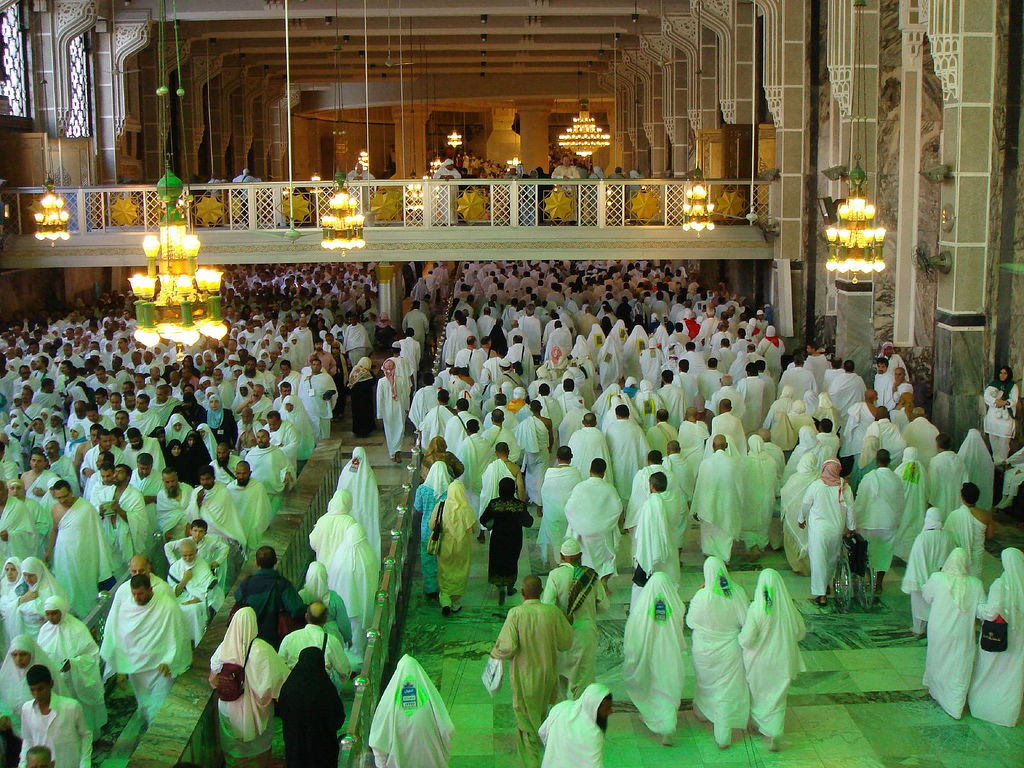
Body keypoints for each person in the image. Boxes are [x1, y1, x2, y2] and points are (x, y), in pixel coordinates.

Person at [490, 575, 573, 768]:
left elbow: (508, 647)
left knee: (526, 723)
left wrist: (494, 653)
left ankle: (532, 762)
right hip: (548, 674)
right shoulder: (552, 612)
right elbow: (565, 643)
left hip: (525, 677)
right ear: (541, 591)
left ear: (522, 592)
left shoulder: (516, 614)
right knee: (543, 714)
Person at [99, 573, 191, 723]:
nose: (137, 597)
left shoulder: (167, 605)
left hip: (160, 668)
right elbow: (123, 641)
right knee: (145, 706)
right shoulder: (126, 608)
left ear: (150, 590)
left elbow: (178, 634)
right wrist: (121, 671)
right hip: (136, 669)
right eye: (134, 594)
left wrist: (170, 660)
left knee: (159, 708)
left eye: (141, 593)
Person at [209, 607, 291, 767]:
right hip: (257, 710)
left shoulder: (223, 648)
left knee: (234, 747)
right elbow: (281, 681)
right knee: (259, 748)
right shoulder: (263, 649)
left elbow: (213, 681)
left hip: (228, 709)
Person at [738, 569, 806, 752]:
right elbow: (800, 633)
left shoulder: (756, 608)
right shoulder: (789, 609)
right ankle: (775, 729)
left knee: (760, 694)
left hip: (760, 662)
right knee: (778, 696)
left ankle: (765, 727)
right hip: (783, 660)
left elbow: (747, 639)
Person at [686, 557, 750, 749]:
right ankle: (723, 732)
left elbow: (690, 622)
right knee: (725, 690)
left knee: (706, 683)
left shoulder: (701, 596)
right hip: (729, 651)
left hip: (704, 651)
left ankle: (704, 715)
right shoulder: (736, 592)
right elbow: (746, 620)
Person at [623, 572, 687, 745]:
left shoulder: (641, 608)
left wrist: (632, 654)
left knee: (651, 687)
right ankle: (668, 724)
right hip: (670, 655)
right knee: (668, 687)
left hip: (649, 656)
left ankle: (659, 722)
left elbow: (633, 633)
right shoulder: (676, 605)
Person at [921, 549, 985, 719]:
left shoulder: (937, 578)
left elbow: (927, 596)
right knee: (959, 667)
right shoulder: (976, 584)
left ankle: (937, 691)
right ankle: (954, 704)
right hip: (962, 634)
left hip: (938, 631)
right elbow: (981, 612)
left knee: (938, 659)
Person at [540, 538, 605, 699]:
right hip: (586, 633)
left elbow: (547, 605)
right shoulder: (590, 576)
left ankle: (563, 712)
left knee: (560, 675)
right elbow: (604, 606)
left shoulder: (555, 575)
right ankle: (580, 714)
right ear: (580, 556)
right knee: (584, 678)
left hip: (562, 634)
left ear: (562, 556)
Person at [967, 547, 1024, 727]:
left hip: (998, 637)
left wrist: (978, 608)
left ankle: (984, 708)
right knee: (1012, 677)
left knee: (989, 672)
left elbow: (991, 612)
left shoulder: (1001, 584)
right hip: (1019, 640)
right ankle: (1006, 714)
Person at [367, 654, 454, 768]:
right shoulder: (430, 699)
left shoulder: (388, 703)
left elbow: (377, 740)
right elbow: (447, 729)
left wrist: (382, 764)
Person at [45, 481, 115, 620]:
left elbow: (96, 534)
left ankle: (89, 616)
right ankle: (70, 616)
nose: (63, 500)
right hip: (63, 556)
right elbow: (54, 530)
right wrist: (48, 550)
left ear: (71, 492)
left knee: (84, 587)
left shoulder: (86, 507)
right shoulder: (55, 509)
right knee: (66, 585)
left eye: (65, 496)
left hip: (83, 556)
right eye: (59, 498)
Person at [36, 596, 107, 733]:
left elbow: (91, 656)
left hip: (77, 682)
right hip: (57, 682)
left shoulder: (77, 629)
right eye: (48, 613)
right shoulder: (45, 631)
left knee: (82, 713)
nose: (51, 617)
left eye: (54, 613)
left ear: (62, 611)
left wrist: (74, 664)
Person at [798, 459, 856, 606]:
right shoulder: (844, 487)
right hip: (836, 530)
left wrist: (801, 518)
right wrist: (851, 526)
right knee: (831, 559)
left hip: (819, 531)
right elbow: (850, 509)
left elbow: (805, 504)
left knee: (818, 560)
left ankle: (821, 594)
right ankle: (827, 584)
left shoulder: (817, 486)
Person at [277, 646, 346, 768]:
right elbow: (338, 718)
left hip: (295, 746)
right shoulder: (326, 688)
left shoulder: (289, 686)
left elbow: (281, 711)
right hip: (323, 748)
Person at [0, 635, 65, 762]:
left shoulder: (44, 675)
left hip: (43, 733)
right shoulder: (5, 677)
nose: (18, 659)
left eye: (23, 654)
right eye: (14, 655)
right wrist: (3, 715)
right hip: (13, 735)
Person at [16, 665, 91, 768]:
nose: (36, 694)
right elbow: (28, 739)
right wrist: (23, 764)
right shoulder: (27, 709)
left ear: (51, 684)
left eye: (40, 689)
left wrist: (85, 764)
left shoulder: (71, 707)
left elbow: (85, 736)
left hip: (68, 764)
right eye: (32, 690)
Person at [232, 546, 306, 650]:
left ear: (257, 563)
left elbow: (237, 598)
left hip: (249, 641)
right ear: (276, 561)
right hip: (274, 642)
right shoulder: (282, 584)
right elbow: (297, 609)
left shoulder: (246, 583)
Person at [562, 459, 621, 587]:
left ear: (590, 470)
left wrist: (582, 523)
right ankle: (603, 584)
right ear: (604, 473)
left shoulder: (580, 487)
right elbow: (617, 509)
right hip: (603, 534)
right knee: (605, 559)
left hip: (584, 534)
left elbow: (569, 508)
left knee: (586, 559)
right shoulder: (609, 489)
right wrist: (604, 523)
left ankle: (586, 584)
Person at [326, 519, 377, 664]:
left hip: (343, 607)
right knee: (359, 635)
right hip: (361, 605)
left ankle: (346, 663)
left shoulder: (339, 556)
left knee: (345, 636)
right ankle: (360, 662)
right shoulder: (368, 555)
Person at [854, 449, 904, 594]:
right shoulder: (896, 479)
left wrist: (855, 519)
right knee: (884, 554)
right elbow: (900, 501)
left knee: (868, 552)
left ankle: (869, 577)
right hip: (888, 523)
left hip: (870, 522)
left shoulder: (870, 478)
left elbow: (861, 499)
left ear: (876, 461)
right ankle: (879, 583)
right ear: (889, 461)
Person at [901, 508, 954, 635]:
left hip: (922, 577)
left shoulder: (922, 538)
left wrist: (920, 581)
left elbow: (916, 560)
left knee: (919, 605)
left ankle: (918, 628)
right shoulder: (947, 537)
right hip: (940, 578)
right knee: (936, 606)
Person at [480, 477, 534, 604]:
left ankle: (500, 588)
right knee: (511, 561)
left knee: (498, 561)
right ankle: (510, 588)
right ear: (513, 490)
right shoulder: (519, 505)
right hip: (514, 540)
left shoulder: (494, 504)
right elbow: (529, 523)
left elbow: (483, 519)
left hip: (497, 539)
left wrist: (491, 524)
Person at [277, 601, 350, 692]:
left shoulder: (289, 638)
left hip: (294, 690)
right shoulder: (330, 640)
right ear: (325, 620)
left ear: (306, 616)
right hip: (320, 690)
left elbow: (279, 665)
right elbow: (344, 671)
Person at [691, 436, 743, 562]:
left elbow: (699, 488)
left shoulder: (706, 464)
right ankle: (724, 558)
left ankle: (711, 559)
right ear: (726, 446)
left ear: (713, 446)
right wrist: (740, 505)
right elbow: (739, 488)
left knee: (709, 534)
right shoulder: (733, 464)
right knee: (724, 534)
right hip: (727, 507)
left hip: (708, 508)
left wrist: (695, 509)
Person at [429, 481, 477, 616]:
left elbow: (432, 525)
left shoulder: (441, 506)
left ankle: (445, 600)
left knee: (445, 571)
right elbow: (475, 528)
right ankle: (455, 602)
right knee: (460, 573)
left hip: (445, 547)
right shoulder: (467, 509)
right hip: (463, 548)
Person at [538, 683, 612, 768]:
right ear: (593, 708)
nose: (610, 712)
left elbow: (542, 732)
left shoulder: (561, 708)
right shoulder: (593, 732)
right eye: (606, 709)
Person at [168, 538, 222, 645]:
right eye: (185, 555)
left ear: (196, 552)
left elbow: (208, 585)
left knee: (194, 609)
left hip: (200, 598)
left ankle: (198, 640)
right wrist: (184, 580)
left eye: (190, 555)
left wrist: (196, 599)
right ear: (180, 554)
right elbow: (174, 593)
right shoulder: (175, 568)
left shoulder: (201, 564)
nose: (188, 558)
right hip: (182, 597)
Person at [537, 448, 582, 568]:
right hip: (570, 514)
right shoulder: (576, 473)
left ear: (557, 457)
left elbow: (544, 492)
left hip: (553, 514)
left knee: (556, 541)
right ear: (571, 457)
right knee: (570, 539)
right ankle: (571, 560)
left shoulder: (550, 473)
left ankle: (559, 562)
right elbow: (578, 495)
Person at [336, 446, 382, 560]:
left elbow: (341, 489)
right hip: (366, 511)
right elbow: (373, 496)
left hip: (350, 511)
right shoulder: (368, 474)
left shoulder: (346, 471)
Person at [413, 462, 450, 600]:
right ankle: (445, 587)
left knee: (428, 558)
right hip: (446, 529)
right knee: (444, 559)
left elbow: (418, 507)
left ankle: (430, 587)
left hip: (427, 529)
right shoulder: (450, 490)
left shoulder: (422, 489)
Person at [944, 483, 993, 578]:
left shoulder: (954, 515)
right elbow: (990, 536)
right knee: (974, 580)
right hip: (977, 553)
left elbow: (947, 536)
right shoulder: (986, 515)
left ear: (962, 497)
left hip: (959, 554)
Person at [377, 358, 410, 462]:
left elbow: (379, 399)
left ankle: (393, 453)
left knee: (390, 431)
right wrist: (406, 408)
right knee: (399, 430)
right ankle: (397, 451)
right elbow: (405, 396)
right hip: (398, 409)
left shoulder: (383, 382)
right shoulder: (399, 380)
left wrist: (380, 414)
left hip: (388, 410)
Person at [983, 366, 1017, 464]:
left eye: (1005, 373)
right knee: (993, 440)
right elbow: (986, 396)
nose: (1002, 375)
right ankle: (995, 461)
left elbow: (1014, 400)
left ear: (1008, 374)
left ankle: (1002, 462)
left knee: (1004, 442)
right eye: (1001, 373)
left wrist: (1005, 402)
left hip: (1005, 419)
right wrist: (996, 401)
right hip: (993, 418)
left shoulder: (1013, 386)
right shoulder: (994, 384)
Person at [347, 357, 377, 438]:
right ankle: (366, 430)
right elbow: (373, 381)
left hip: (355, 398)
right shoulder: (366, 372)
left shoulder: (355, 370)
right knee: (366, 414)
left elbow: (350, 383)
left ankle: (357, 430)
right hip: (365, 399)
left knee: (357, 414)